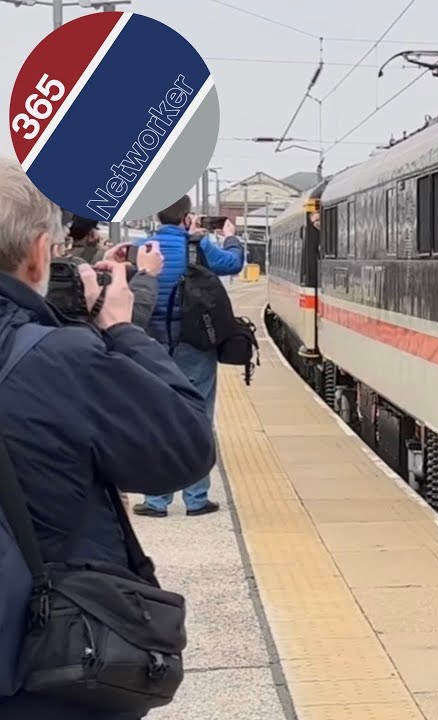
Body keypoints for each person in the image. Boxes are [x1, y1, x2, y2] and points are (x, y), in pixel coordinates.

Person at [0, 158, 214, 719]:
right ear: (40, 252)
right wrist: (119, 328)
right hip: (39, 669)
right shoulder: (57, 358)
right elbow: (183, 447)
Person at [131, 195, 245, 519]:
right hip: (195, 343)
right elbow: (233, 263)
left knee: (156, 419)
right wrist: (229, 237)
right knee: (197, 416)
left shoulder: (145, 248)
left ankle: (156, 501)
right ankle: (196, 498)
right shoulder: (197, 247)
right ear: (186, 216)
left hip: (150, 345)